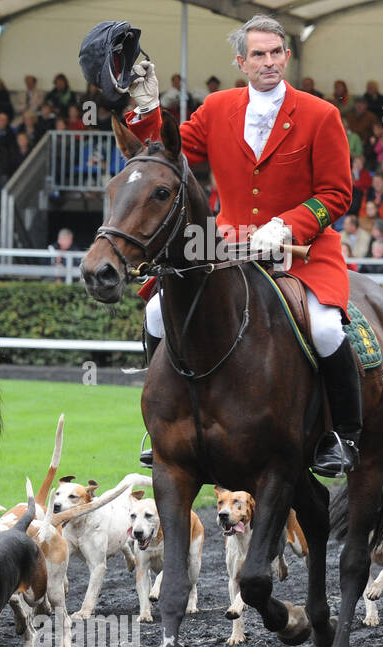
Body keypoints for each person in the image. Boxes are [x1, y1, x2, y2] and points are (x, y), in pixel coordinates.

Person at [125, 14, 359, 477]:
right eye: (258, 54)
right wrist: (145, 108)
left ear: (286, 57)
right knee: (155, 312)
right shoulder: (215, 108)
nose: (269, 62)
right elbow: (163, 157)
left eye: (276, 53)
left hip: (301, 252)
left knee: (329, 329)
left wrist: (288, 226)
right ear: (241, 61)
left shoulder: (320, 114)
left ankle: (343, 436)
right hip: (224, 246)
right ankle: (163, 421)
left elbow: (337, 193)